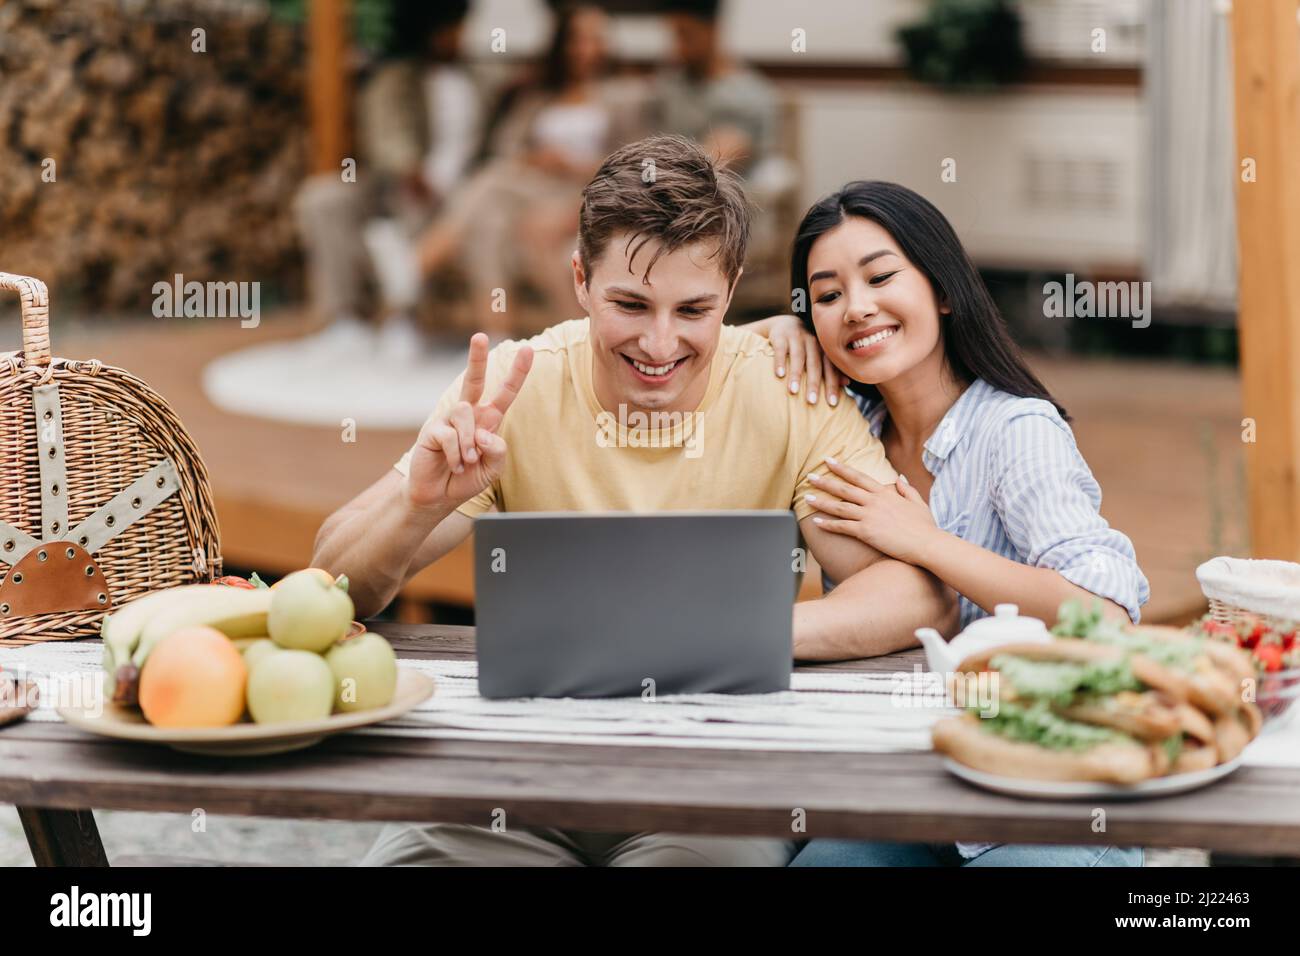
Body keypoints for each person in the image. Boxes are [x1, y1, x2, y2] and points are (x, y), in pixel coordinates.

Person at [313, 136, 955, 867]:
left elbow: (917, 594)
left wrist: (724, 637)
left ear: (734, 287)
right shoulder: (512, 389)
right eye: (629, 304)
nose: (659, 343)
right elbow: (334, 581)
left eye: (693, 309)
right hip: (513, 785)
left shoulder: (789, 390)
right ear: (581, 279)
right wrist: (420, 506)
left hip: (713, 793)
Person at [747, 180, 1148, 867]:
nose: (857, 308)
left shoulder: (1014, 430)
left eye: (879, 277)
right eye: (828, 294)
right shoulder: (846, 430)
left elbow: (1105, 614)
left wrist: (929, 543)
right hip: (911, 783)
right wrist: (769, 330)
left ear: (940, 288)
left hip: (1043, 793)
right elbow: (698, 360)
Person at [415, 4, 648, 340]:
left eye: (596, 39)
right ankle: (496, 339)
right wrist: (537, 158)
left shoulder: (628, 96)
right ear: (562, 44)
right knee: (489, 218)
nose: (588, 48)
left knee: (493, 182)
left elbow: (635, 165)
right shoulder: (539, 95)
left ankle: (415, 265)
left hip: (581, 194)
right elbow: (508, 148)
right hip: (528, 189)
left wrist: (572, 164)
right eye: (578, 40)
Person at [294, 0, 483, 361]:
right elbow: (389, 139)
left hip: (464, 193)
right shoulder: (397, 76)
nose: (461, 35)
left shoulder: (480, 81)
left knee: (412, 209)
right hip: (400, 182)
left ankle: (403, 318)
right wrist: (408, 170)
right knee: (324, 198)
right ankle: (345, 320)